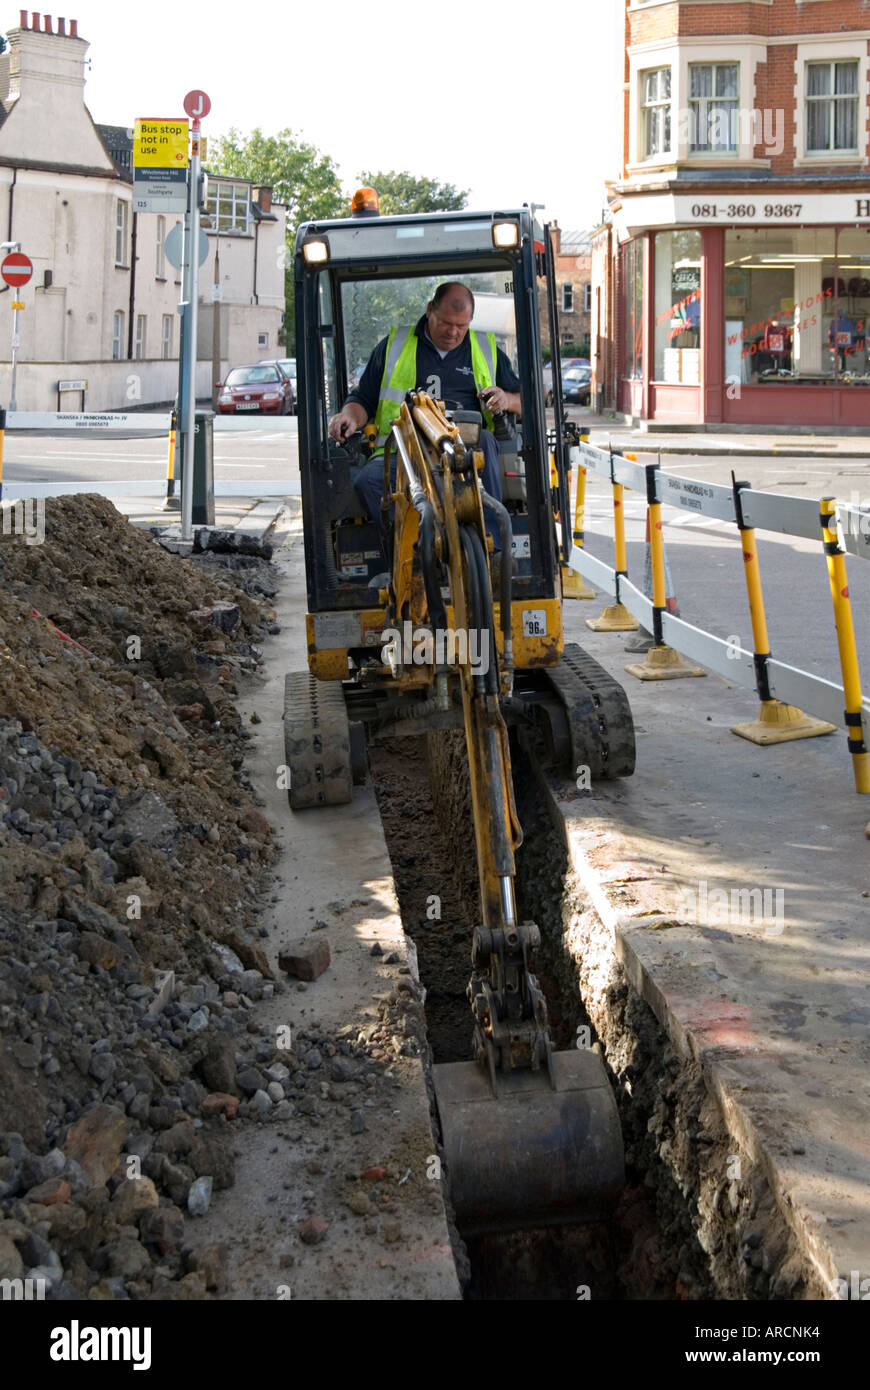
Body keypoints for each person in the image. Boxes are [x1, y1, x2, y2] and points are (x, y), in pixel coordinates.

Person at [328, 282, 521, 544]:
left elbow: (523, 402)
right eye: (445, 323)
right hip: (403, 450)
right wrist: (349, 416)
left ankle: (491, 549)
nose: (453, 332)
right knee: (368, 482)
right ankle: (415, 551)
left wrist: (506, 399)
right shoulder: (394, 347)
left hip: (464, 448)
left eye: (461, 326)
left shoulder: (486, 351)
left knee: (486, 442)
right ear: (430, 310)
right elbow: (362, 400)